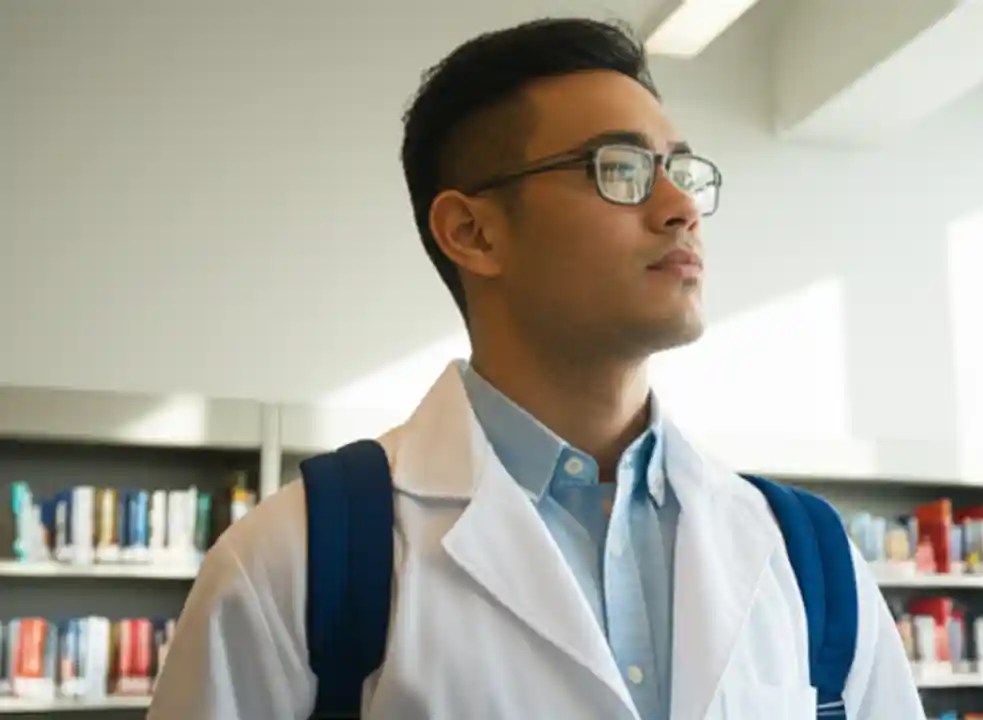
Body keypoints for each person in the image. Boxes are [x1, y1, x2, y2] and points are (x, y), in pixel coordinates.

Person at [148, 17, 925, 720]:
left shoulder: (808, 557)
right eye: (620, 168)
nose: (680, 208)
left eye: (681, 171)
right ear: (473, 232)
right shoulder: (294, 562)